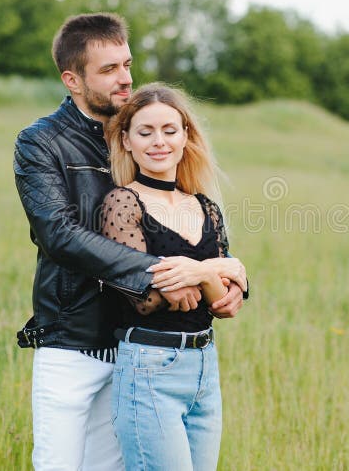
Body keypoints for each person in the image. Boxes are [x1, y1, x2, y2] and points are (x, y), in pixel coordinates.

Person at [13, 13, 247, 470]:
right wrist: (162, 276)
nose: (124, 78)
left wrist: (230, 271)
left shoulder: (143, 127)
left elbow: (178, 215)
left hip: (137, 348)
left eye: (127, 64)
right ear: (73, 80)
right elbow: (59, 233)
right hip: (74, 338)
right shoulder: (42, 143)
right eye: (108, 69)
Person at [100, 83, 239, 470]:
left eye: (169, 130)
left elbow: (223, 303)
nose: (158, 142)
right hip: (149, 368)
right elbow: (145, 300)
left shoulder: (205, 207)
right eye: (145, 132)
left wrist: (198, 273)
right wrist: (211, 270)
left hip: (204, 368)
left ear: (185, 136)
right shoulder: (122, 203)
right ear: (126, 141)